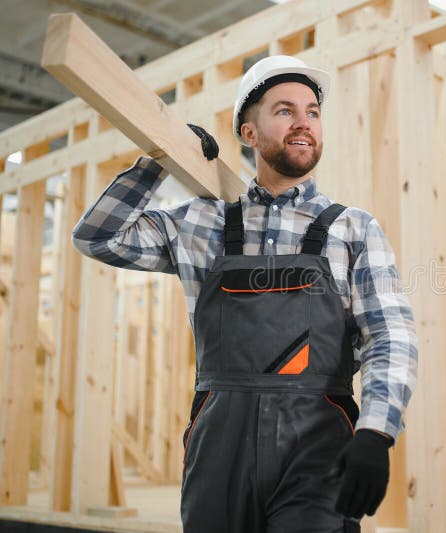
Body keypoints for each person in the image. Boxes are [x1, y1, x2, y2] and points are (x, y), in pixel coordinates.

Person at [72, 55, 418, 532]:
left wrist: (376, 432)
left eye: (312, 111)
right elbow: (97, 238)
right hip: (220, 441)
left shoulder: (352, 229)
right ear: (249, 133)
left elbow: (390, 335)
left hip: (318, 441)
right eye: (284, 110)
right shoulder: (200, 222)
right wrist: (158, 163)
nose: (303, 123)